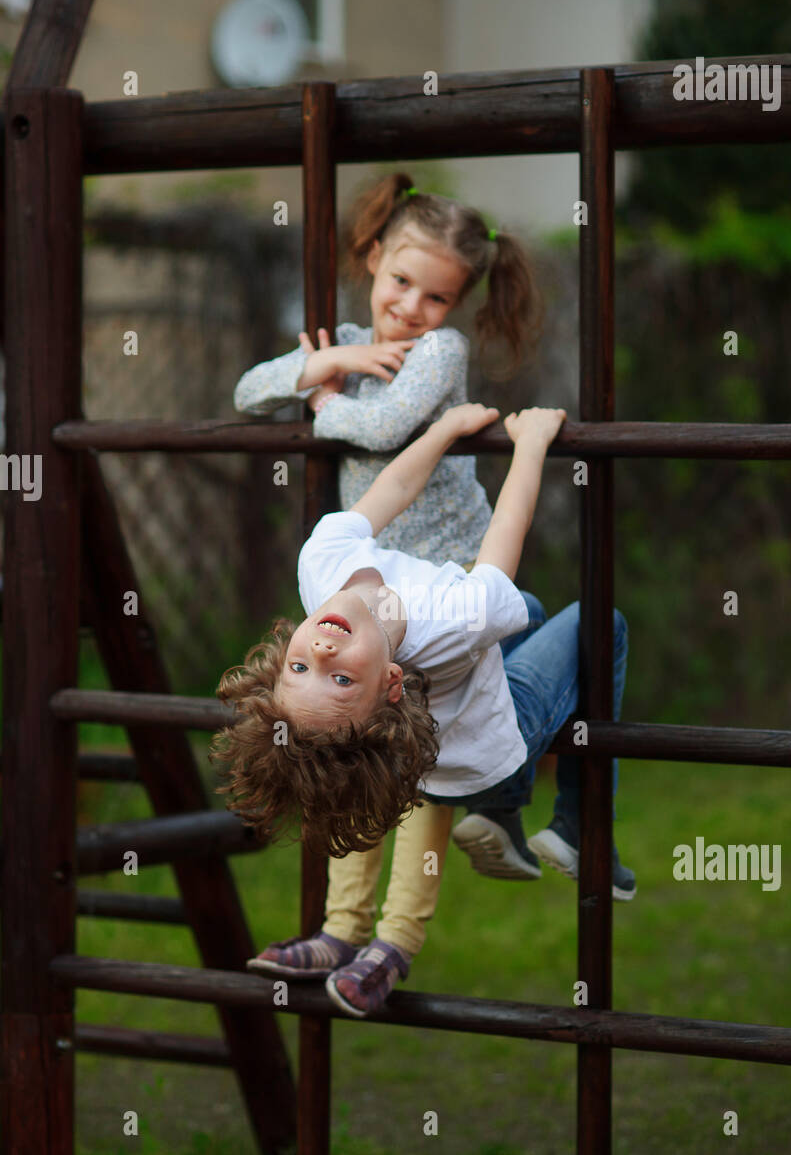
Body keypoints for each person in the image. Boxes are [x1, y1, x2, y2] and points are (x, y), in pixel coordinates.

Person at [210, 402, 634, 1020]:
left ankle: (502, 821)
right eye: (340, 675)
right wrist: (532, 442)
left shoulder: (320, 566)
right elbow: (505, 536)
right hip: (504, 741)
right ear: (391, 683)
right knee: (602, 622)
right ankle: (579, 822)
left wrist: (442, 431)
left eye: (302, 668)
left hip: (448, 763)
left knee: (531, 610)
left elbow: (394, 488)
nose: (322, 649)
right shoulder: (456, 617)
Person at [231, 171, 546, 994]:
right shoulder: (351, 341)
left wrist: (323, 401)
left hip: (435, 599)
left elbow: (382, 426)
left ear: (456, 308)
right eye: (401, 282)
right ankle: (340, 930)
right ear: (372, 259)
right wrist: (331, 359)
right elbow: (247, 392)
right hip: (369, 592)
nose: (410, 309)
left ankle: (396, 941)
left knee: (421, 776)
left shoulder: (440, 354)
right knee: (350, 758)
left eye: (436, 298)